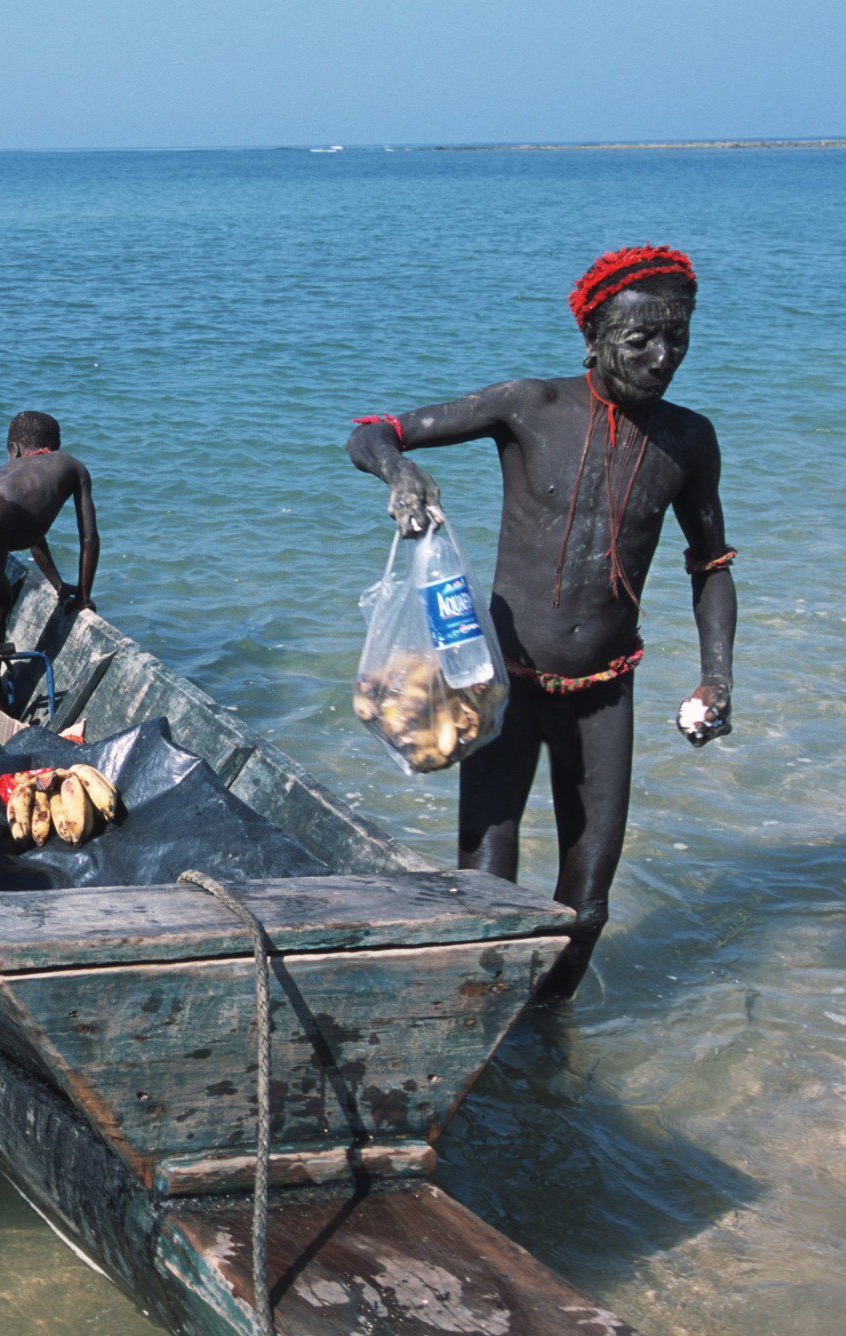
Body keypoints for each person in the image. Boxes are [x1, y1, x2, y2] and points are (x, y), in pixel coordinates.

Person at [345, 246, 737, 1003]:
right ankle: (478, 1039)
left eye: (678, 339)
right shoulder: (529, 407)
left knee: (585, 909)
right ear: (592, 341)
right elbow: (373, 431)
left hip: (604, 692)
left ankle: (545, 1040)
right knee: (486, 891)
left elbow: (712, 564)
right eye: (640, 342)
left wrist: (717, 678)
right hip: (503, 686)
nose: (663, 358)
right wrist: (401, 473)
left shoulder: (689, 441)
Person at [0, 411, 98, 651]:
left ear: (14, 449)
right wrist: (83, 598)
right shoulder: (73, 466)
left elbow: (35, 539)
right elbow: (88, 538)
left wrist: (58, 585)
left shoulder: (18, 467)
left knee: (1, 597)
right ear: (55, 447)